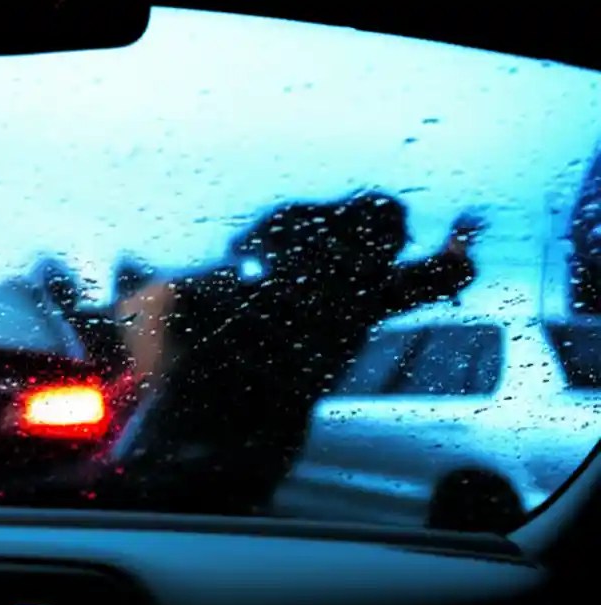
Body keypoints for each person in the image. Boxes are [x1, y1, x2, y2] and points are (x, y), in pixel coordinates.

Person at [105, 190, 482, 515]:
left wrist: (146, 374)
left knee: (169, 494)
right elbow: (437, 277)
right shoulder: (360, 290)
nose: (398, 249)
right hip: (263, 417)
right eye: (395, 243)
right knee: (227, 499)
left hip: (207, 411)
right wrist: (457, 248)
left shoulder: (298, 270)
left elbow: (159, 298)